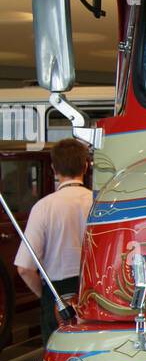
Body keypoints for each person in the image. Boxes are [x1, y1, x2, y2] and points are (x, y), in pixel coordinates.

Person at [15, 137, 92, 343]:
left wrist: (48, 297)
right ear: (85, 166)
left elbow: (24, 268)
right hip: (94, 294)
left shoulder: (43, 207)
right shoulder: (99, 202)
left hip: (56, 293)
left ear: (53, 168)